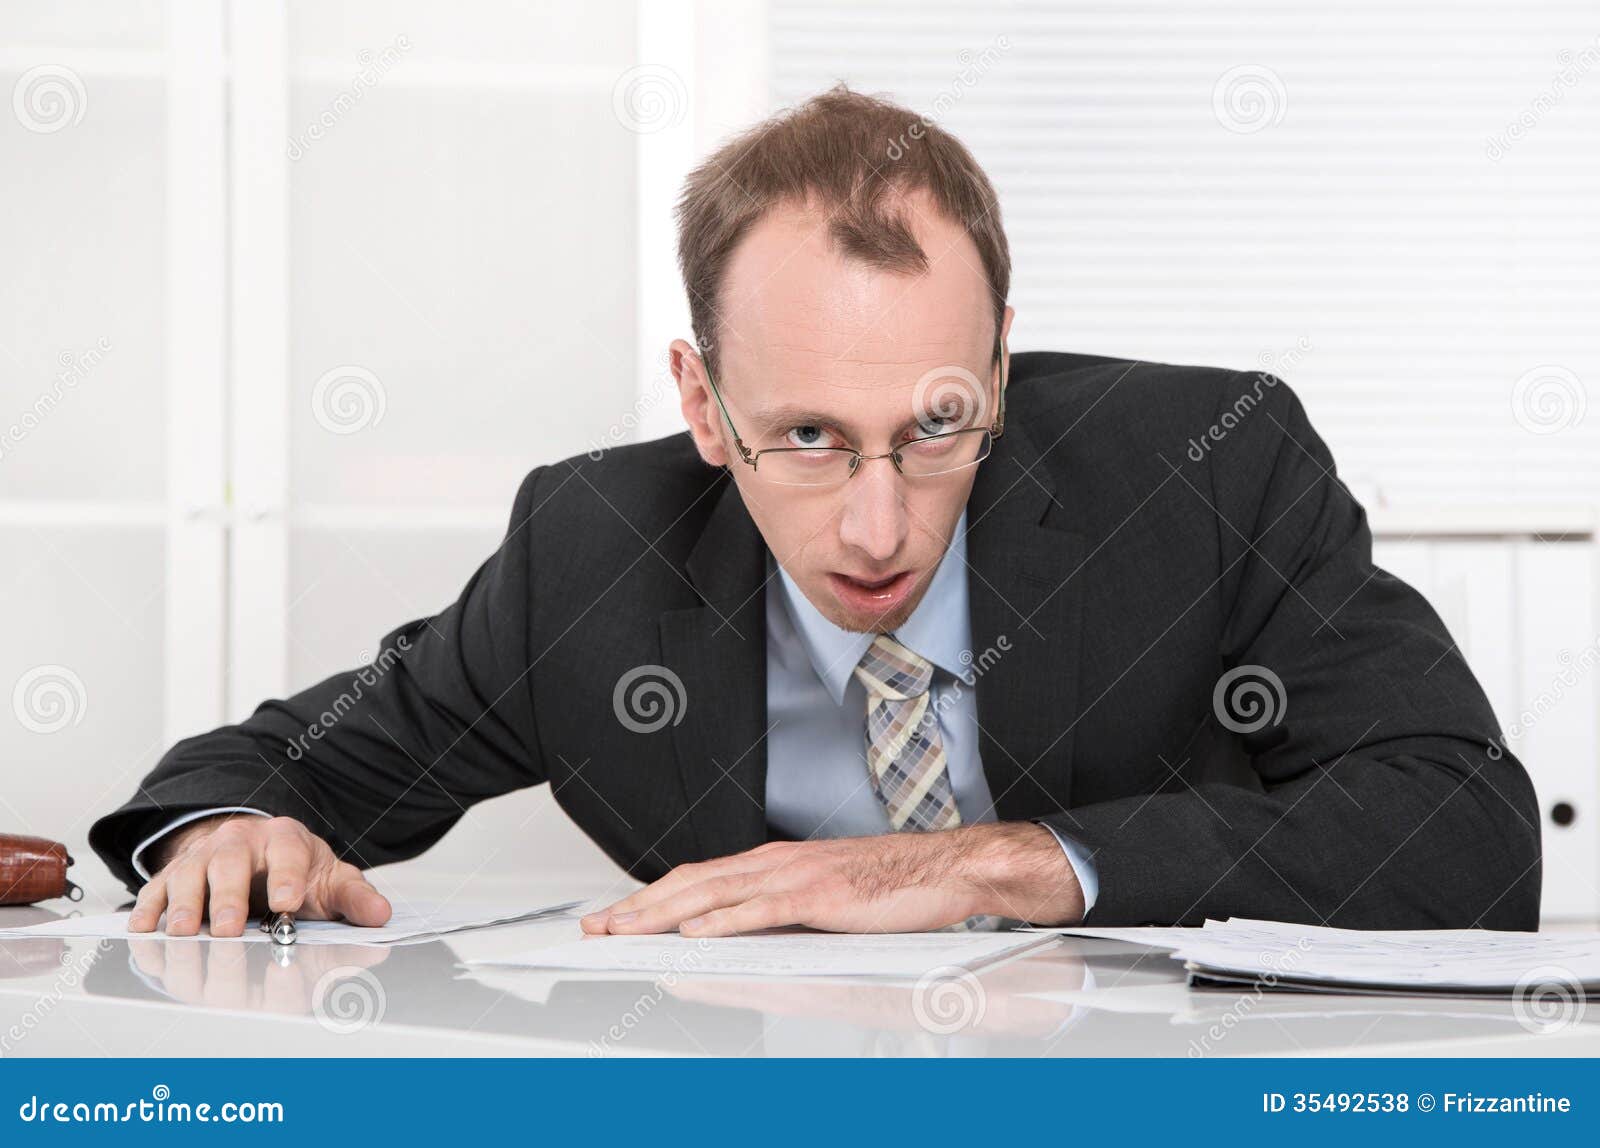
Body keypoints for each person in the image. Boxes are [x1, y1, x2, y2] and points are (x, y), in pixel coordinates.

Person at [89, 85, 1540, 939]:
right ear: (705, 406)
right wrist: (230, 832)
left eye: (935, 429)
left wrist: (991, 862)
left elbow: (1467, 828)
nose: (876, 529)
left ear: (997, 366)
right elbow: (279, 766)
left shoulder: (1208, 467)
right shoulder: (592, 550)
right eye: (805, 437)